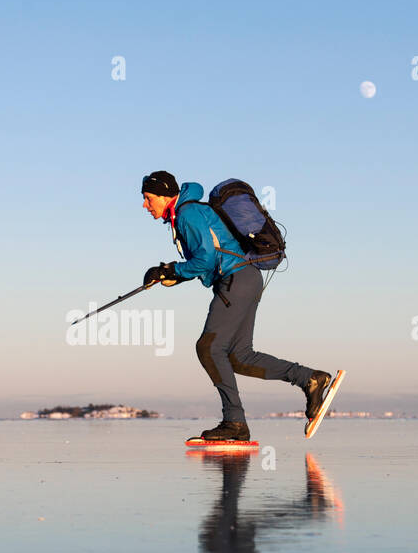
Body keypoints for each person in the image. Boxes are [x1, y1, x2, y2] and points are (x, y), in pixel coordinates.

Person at [139, 170, 340, 441]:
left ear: (165, 195)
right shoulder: (186, 214)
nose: (145, 205)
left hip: (235, 280)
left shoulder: (187, 213)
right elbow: (208, 257)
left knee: (209, 347)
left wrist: (171, 270)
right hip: (245, 279)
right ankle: (310, 379)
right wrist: (170, 274)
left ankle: (234, 422)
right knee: (239, 356)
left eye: (148, 198)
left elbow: (207, 259)